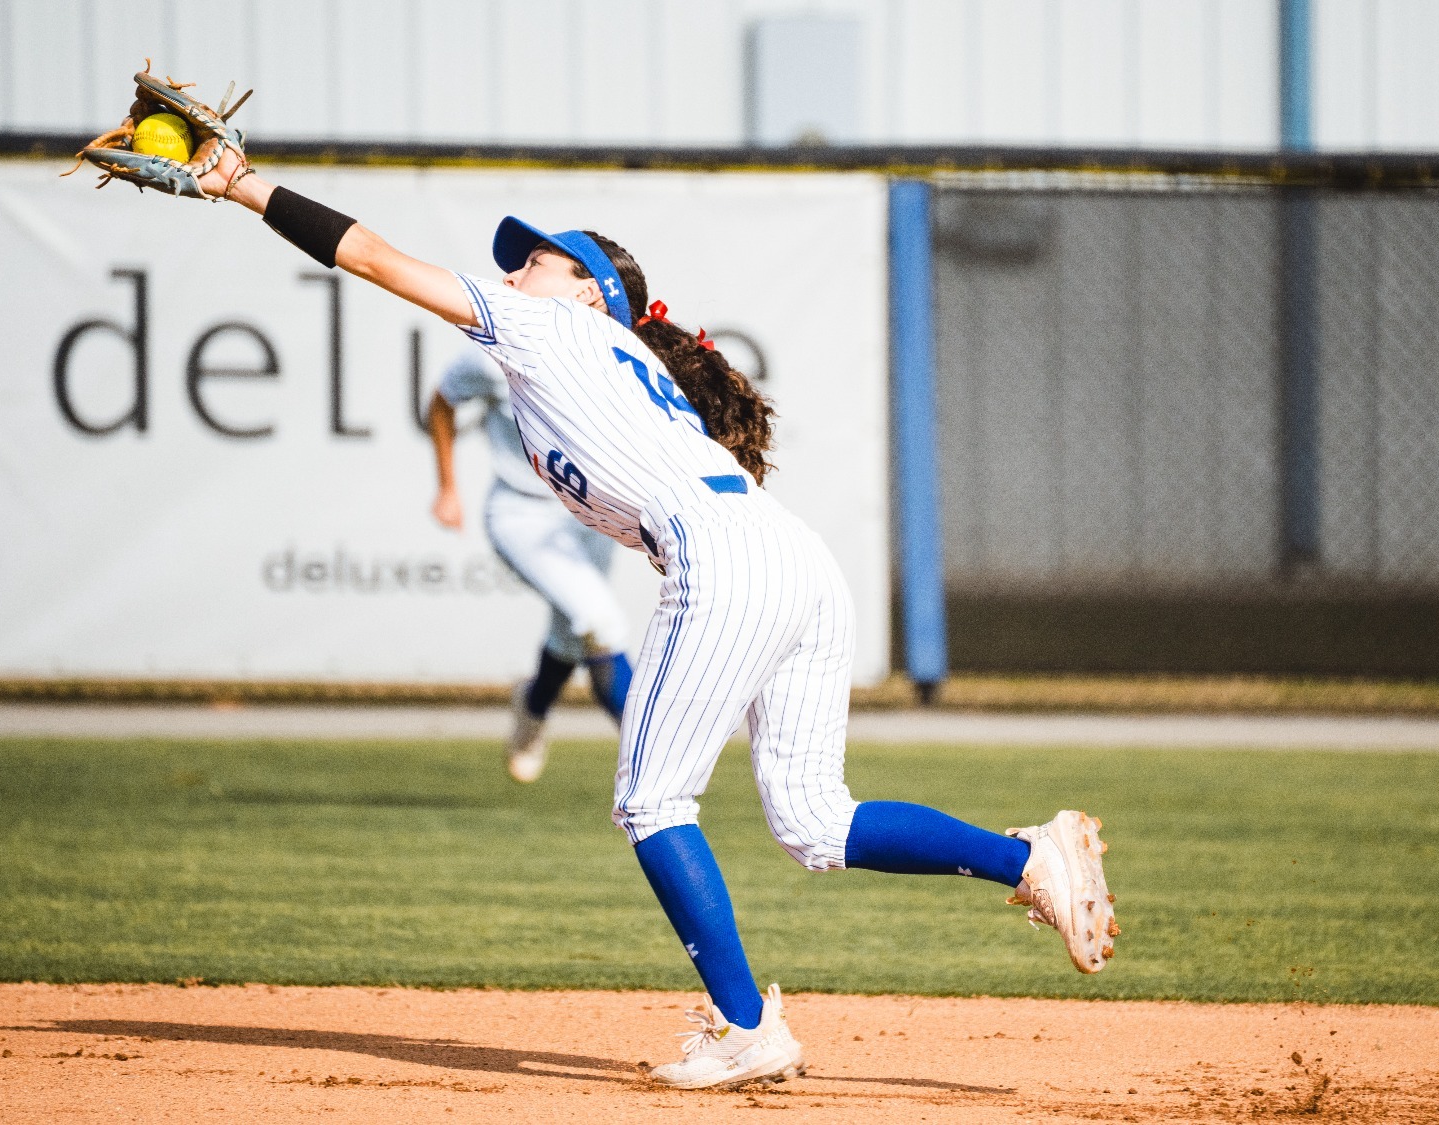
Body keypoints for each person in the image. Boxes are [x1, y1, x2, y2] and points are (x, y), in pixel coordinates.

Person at [183, 148, 1117, 1091]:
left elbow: (376, 259)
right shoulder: (595, 354)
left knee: (652, 800)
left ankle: (744, 1024)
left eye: (538, 260)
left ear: (588, 293)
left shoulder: (551, 328)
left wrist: (242, 184)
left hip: (725, 557)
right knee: (814, 821)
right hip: (788, 556)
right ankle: (1026, 856)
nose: (514, 273)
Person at [428, 347, 634, 783]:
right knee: (599, 620)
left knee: (570, 632)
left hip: (592, 514)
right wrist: (447, 488)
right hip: (520, 512)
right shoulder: (492, 357)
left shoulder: (604, 349)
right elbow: (442, 401)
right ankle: (651, 753)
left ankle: (533, 706)